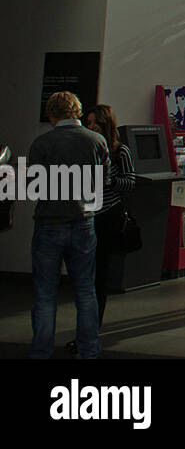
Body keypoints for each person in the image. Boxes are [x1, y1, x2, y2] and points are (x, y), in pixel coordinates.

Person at [28, 92, 109, 359]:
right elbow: (103, 181)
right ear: (77, 111)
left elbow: (33, 187)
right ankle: (89, 350)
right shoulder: (97, 141)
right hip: (83, 223)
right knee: (85, 291)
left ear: (51, 115)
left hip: (49, 224)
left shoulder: (42, 143)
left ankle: (41, 351)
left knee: (44, 294)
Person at [83, 104, 134, 338]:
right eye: (88, 122)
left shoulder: (119, 151)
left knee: (99, 276)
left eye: (95, 123)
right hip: (86, 213)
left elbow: (130, 182)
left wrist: (108, 181)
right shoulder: (85, 148)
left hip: (107, 216)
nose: (90, 126)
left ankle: (92, 329)